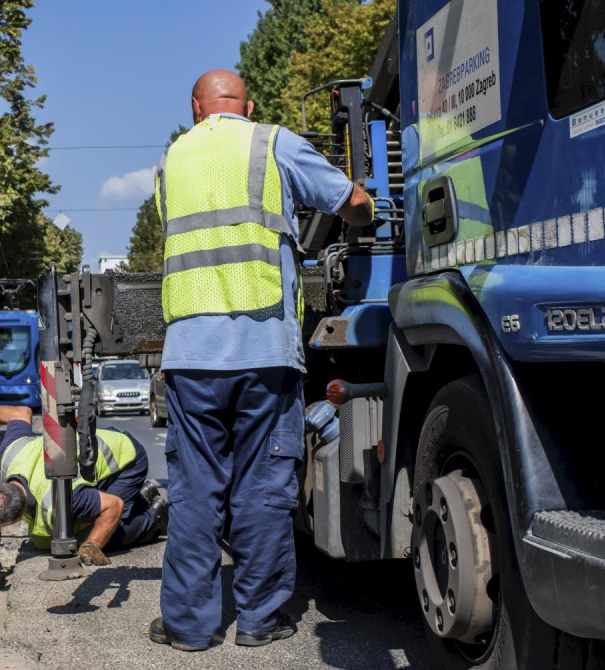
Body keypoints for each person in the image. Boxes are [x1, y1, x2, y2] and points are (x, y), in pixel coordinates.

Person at [149, 70, 374, 651]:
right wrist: (365, 210)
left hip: (191, 354)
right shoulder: (271, 142)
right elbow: (349, 201)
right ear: (247, 105)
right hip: (264, 352)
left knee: (196, 491)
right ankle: (259, 620)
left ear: (196, 108)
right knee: (263, 489)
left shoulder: (171, 161)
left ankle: (189, 627)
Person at [0, 405, 168, 566]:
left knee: (110, 531)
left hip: (125, 459)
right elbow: (20, 413)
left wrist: (92, 545)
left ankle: (157, 517)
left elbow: (113, 505)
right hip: (96, 445)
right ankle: (142, 495)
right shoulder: (9, 457)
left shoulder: (57, 501)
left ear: (15, 519)